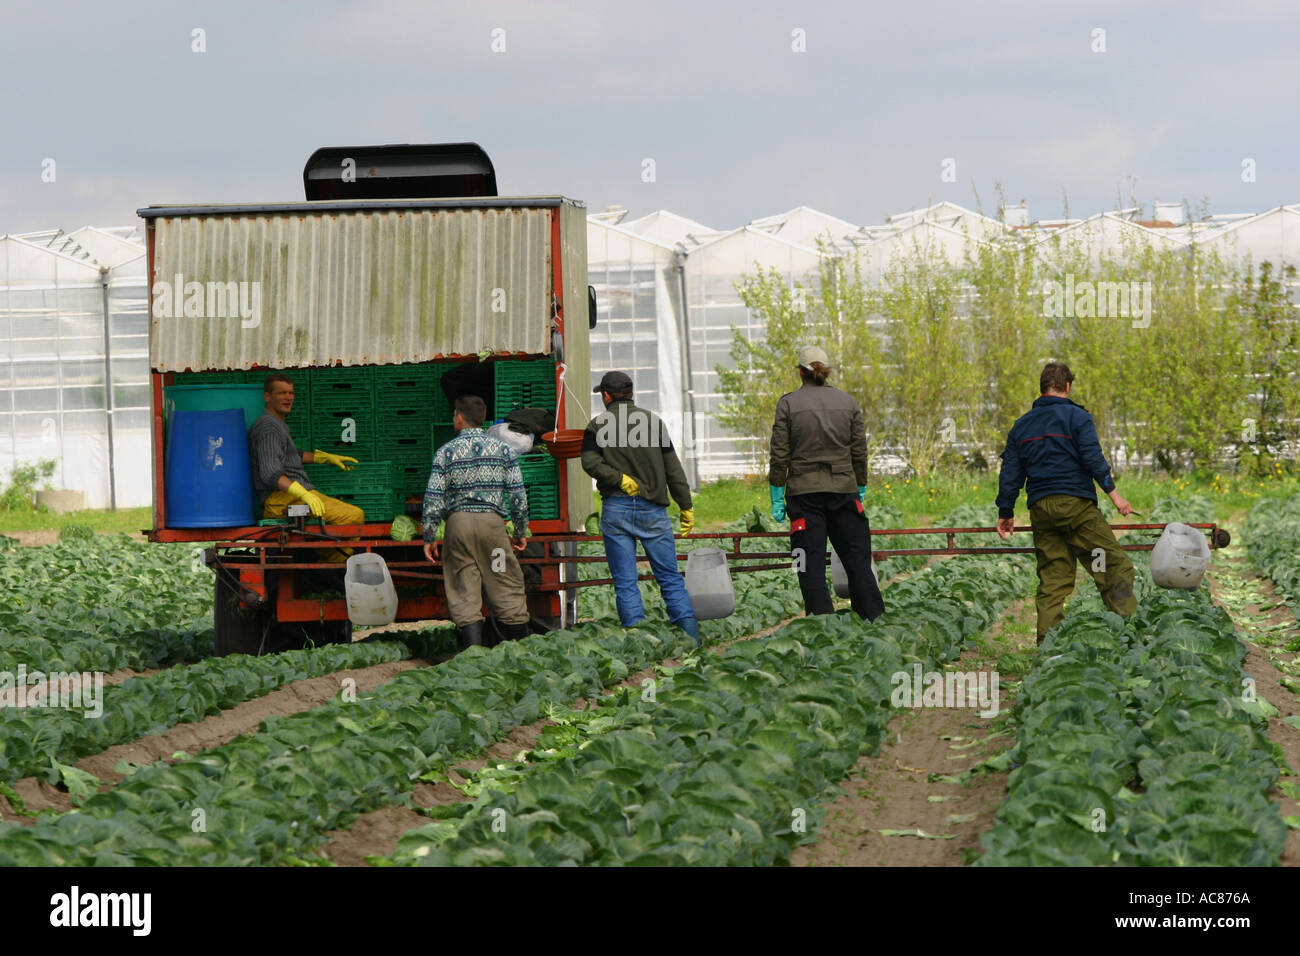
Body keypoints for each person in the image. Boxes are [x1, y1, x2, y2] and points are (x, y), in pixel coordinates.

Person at [995, 361, 1137, 644]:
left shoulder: (1021, 426)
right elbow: (1093, 459)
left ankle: (1049, 650)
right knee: (1114, 566)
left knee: (1053, 581)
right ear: (1068, 386)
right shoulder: (1077, 418)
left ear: (1043, 388)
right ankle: (1129, 636)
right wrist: (1115, 496)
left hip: (1042, 511)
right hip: (1075, 507)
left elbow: (1010, 473)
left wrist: (1006, 511)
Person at [581, 370, 700, 644]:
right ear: (631, 393)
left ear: (607, 395)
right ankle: (692, 639)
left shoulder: (597, 426)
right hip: (654, 511)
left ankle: (638, 644)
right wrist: (686, 505)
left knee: (625, 581)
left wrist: (618, 479)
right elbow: (673, 468)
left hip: (616, 510)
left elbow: (589, 462)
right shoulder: (654, 423)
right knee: (670, 578)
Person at [768, 346, 885, 621]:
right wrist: (861, 486)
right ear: (826, 371)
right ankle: (873, 620)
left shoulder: (788, 404)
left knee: (808, 564)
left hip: (803, 495)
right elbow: (859, 451)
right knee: (857, 559)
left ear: (800, 372)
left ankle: (822, 625)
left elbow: (779, 454)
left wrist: (776, 492)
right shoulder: (848, 402)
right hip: (844, 491)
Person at [422, 394, 531, 650]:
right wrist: (520, 531)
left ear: (459, 419)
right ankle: (521, 650)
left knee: (464, 586)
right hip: (492, 529)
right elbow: (517, 495)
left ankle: (473, 654)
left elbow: (433, 498)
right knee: (503, 578)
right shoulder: (504, 450)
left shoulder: (445, 452)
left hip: (458, 529)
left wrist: (429, 536)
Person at [248, 373, 365, 533]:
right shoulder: (269, 428)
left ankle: (329, 557)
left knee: (347, 519)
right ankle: (332, 559)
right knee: (352, 516)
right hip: (280, 500)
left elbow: (290, 455)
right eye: (282, 393)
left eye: (291, 393)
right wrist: (304, 493)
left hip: (291, 497)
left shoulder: (278, 424)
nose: (288, 397)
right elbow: (270, 473)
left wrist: (324, 458)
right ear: (268, 397)